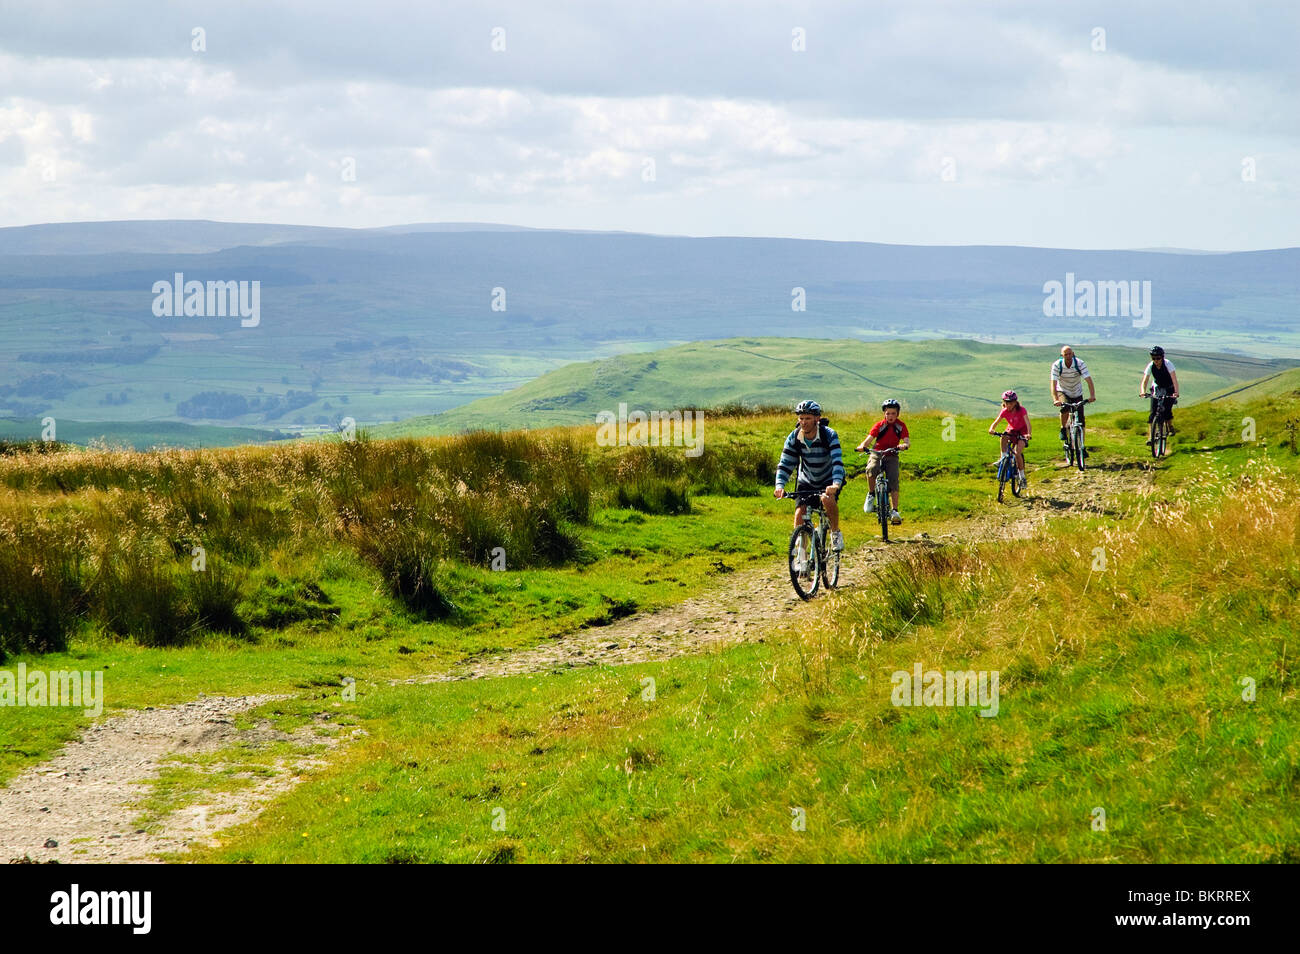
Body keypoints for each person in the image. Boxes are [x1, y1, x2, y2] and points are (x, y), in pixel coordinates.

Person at [774, 400, 845, 568]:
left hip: (829, 479)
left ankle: (835, 533)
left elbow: (837, 462)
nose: (803, 422)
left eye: (807, 418)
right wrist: (779, 486)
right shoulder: (794, 437)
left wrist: (835, 485)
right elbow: (785, 464)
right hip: (806, 480)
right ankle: (802, 556)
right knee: (800, 514)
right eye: (801, 418)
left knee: (828, 500)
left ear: (817, 419)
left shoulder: (829, 435)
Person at [855, 398, 910, 525]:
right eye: (888, 413)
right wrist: (862, 446)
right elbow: (869, 439)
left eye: (893, 413)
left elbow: (907, 441)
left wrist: (904, 445)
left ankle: (895, 511)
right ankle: (871, 494)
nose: (890, 416)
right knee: (872, 468)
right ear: (884, 414)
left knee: (893, 479)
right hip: (877, 452)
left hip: (892, 454)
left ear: (898, 414)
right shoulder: (879, 425)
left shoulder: (900, 426)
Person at [1050, 345, 1096, 453]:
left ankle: (1082, 447)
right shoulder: (1057, 365)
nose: (1068, 356)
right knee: (1064, 408)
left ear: (1073, 353)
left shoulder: (1079, 364)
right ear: (1062, 355)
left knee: (1081, 420)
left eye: (1070, 354)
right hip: (1063, 390)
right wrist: (1055, 399)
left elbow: (1088, 379)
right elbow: (1053, 384)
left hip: (1077, 392)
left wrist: (1092, 395)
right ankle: (1063, 428)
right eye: (1066, 354)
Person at [988, 389, 1031, 488]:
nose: (1009, 405)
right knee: (1003, 437)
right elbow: (996, 422)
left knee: (1017, 453)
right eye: (1007, 403)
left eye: (1011, 403)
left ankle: (1022, 477)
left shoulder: (1022, 410)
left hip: (1022, 432)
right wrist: (992, 429)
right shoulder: (1004, 411)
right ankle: (1003, 459)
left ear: (1015, 402)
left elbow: (1028, 423)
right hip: (1012, 430)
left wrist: (1028, 434)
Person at [1139, 346, 1179, 445]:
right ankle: (1150, 437)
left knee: (1167, 411)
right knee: (1152, 414)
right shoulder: (1151, 365)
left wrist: (1176, 392)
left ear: (1162, 357)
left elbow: (1174, 380)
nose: (1156, 360)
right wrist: (1143, 392)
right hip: (1157, 388)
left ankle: (1170, 427)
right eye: (1153, 358)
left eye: (1158, 358)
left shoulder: (1168, 364)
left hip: (1169, 388)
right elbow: (1144, 381)